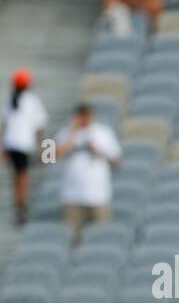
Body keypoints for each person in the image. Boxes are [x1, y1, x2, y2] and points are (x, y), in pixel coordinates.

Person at [54, 104, 121, 245]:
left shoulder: (103, 132)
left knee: (101, 240)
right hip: (72, 196)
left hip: (98, 196)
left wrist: (98, 151)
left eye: (87, 115)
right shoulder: (65, 133)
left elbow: (116, 161)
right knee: (71, 240)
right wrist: (72, 135)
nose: (84, 119)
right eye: (81, 115)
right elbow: (53, 156)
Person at [3, 69, 47, 226]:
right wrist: (44, 151)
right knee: (23, 177)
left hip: (11, 143)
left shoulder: (10, 100)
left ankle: (19, 205)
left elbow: (4, 125)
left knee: (17, 177)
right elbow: (40, 127)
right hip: (23, 144)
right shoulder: (32, 101)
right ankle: (22, 206)